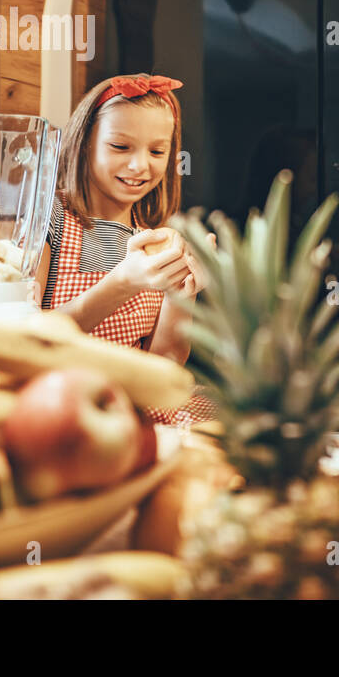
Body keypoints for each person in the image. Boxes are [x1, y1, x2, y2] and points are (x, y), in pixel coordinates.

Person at [35, 73, 214, 424]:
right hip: (60, 410)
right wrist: (122, 283)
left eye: (157, 151)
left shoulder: (156, 239)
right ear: (85, 142)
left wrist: (184, 293)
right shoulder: (47, 217)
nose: (139, 165)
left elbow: (165, 362)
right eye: (120, 147)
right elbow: (28, 338)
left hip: (131, 413)